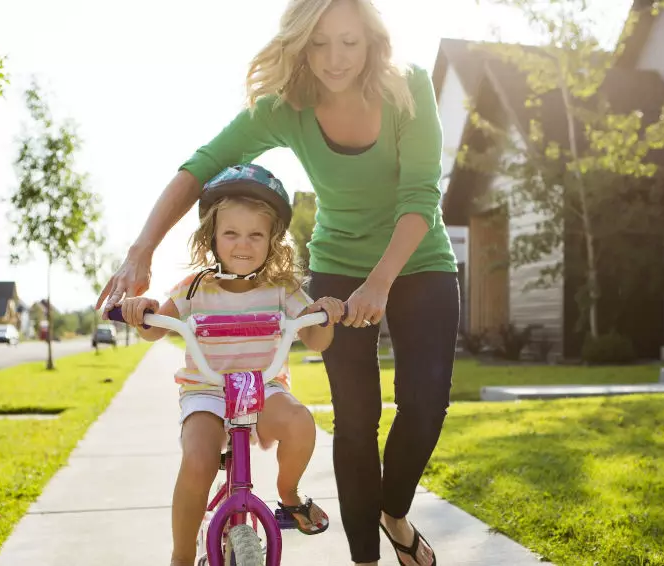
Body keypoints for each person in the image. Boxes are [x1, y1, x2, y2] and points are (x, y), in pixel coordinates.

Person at [97, 1, 459, 564]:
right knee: (357, 419)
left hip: (419, 259)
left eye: (348, 42)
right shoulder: (288, 106)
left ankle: (393, 511)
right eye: (318, 44)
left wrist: (381, 283)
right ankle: (365, 557)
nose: (334, 59)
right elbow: (202, 164)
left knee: (427, 404)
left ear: (371, 40)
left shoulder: (407, 87)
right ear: (299, 44)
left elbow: (420, 197)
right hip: (340, 261)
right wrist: (141, 251)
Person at [116, 163, 347, 566]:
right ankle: (182, 554)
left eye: (256, 234)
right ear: (213, 237)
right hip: (207, 391)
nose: (244, 244)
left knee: (300, 423)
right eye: (231, 233)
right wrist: (143, 309)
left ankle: (288, 494)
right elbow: (156, 327)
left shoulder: (282, 288)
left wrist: (323, 313)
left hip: (263, 388)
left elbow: (316, 338)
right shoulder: (194, 287)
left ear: (273, 239)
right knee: (198, 460)